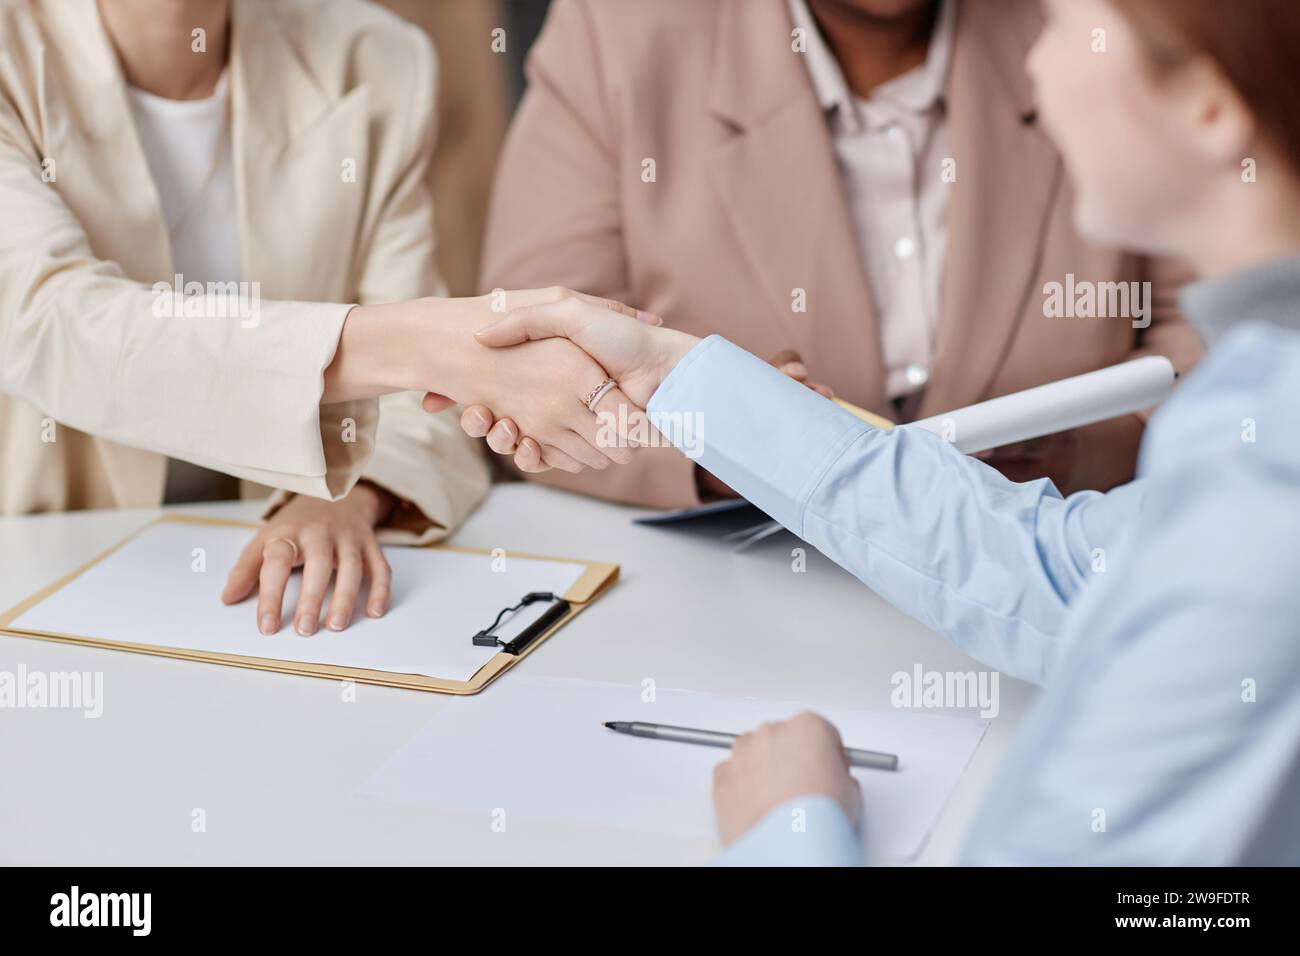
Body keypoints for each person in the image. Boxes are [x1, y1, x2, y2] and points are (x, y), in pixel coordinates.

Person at [465, 0, 1300, 864]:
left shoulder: (1265, 482)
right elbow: (1062, 569)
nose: (1038, 69)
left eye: (1064, 26)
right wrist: (684, 381)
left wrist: (794, 833)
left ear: (1208, 105)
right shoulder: (1262, 420)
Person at [0, 0, 640, 635]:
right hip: (39, 574)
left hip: (258, 615)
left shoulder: (372, 58)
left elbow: (428, 410)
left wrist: (346, 495)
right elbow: (50, 322)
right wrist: (431, 346)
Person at [472, 0, 1203, 507]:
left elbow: (1216, 318)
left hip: (1068, 555)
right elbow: (527, 355)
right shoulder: (619, 34)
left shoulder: (1096, 29)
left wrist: (1092, 453)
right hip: (737, 592)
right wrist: (721, 453)